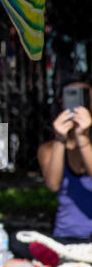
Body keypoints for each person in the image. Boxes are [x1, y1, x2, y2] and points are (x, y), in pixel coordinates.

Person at [37, 80, 92, 242]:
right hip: (65, 239)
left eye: (84, 98)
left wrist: (82, 138)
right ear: (62, 101)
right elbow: (53, 185)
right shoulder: (48, 148)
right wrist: (60, 139)